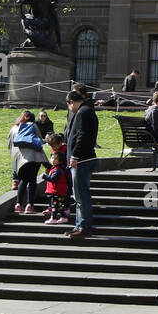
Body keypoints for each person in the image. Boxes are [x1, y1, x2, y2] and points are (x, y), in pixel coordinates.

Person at [65, 89, 99, 239]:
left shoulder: (83, 112)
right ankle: (79, 225)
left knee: (81, 196)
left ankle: (84, 227)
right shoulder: (87, 111)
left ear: (71, 102)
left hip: (82, 160)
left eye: (68, 105)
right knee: (80, 195)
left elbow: (82, 136)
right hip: (86, 159)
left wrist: (75, 156)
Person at [10, 110, 50, 214]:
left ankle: (18, 204)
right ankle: (29, 205)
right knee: (32, 181)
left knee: (23, 180)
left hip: (20, 159)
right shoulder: (33, 125)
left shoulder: (14, 128)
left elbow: (10, 145)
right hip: (33, 158)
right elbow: (39, 142)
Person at [40, 148, 72, 224]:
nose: (53, 160)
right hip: (58, 191)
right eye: (52, 158)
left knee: (54, 206)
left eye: (56, 159)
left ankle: (53, 218)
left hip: (57, 192)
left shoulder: (57, 170)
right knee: (59, 207)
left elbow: (53, 179)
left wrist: (45, 176)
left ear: (60, 160)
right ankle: (63, 217)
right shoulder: (56, 168)